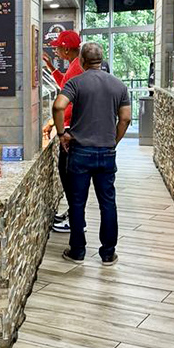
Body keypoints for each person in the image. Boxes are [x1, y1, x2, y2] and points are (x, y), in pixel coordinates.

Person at [52, 42, 131, 265]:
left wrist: (61, 134)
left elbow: (59, 106)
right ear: (101, 59)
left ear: (82, 62)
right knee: (108, 202)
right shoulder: (119, 85)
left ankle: (77, 251)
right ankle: (108, 253)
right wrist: (113, 141)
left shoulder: (76, 82)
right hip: (106, 153)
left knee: (77, 203)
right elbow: (125, 118)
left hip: (80, 152)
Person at [42, 30, 84, 233]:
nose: (56, 50)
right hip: (72, 129)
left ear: (67, 48)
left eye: (58, 47)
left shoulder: (77, 68)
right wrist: (50, 66)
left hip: (72, 131)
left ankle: (77, 222)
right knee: (69, 175)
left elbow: (69, 103)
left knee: (69, 176)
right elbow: (63, 85)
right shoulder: (73, 66)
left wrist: (54, 123)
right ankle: (74, 213)